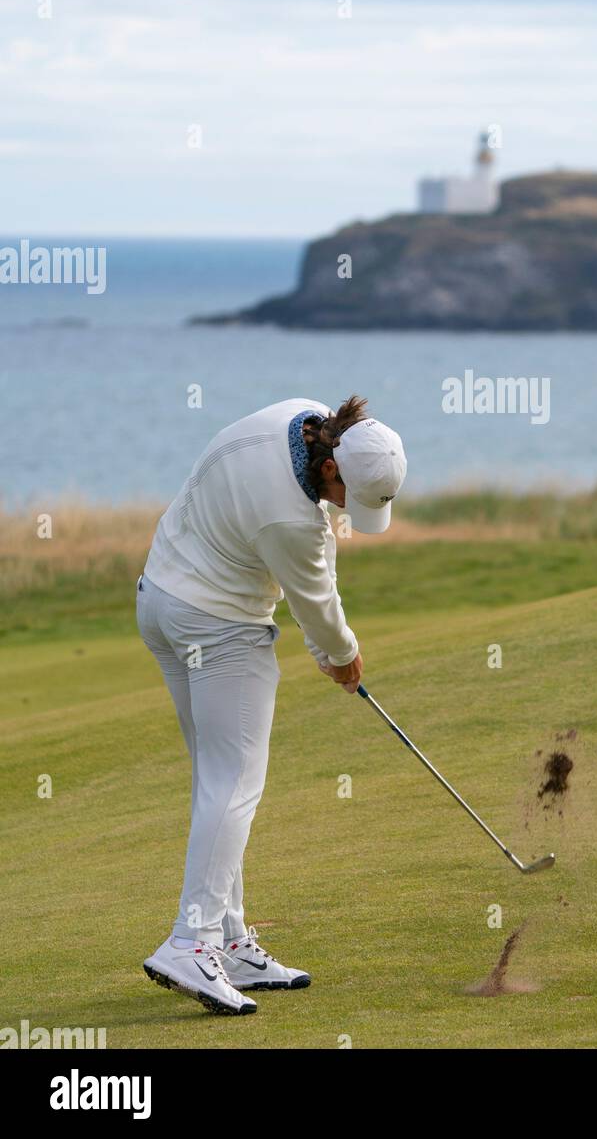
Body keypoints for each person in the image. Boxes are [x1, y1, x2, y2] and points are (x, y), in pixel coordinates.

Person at [137, 395, 406, 1015]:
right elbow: (317, 604)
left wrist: (327, 646)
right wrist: (341, 657)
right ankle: (192, 941)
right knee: (234, 782)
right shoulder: (291, 519)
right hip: (217, 628)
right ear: (335, 469)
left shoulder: (303, 412)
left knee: (215, 778)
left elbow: (312, 584)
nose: (344, 510)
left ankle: (228, 942)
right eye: (348, 498)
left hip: (160, 601)